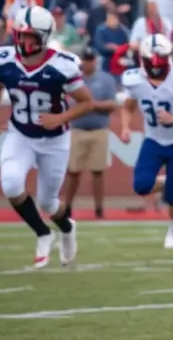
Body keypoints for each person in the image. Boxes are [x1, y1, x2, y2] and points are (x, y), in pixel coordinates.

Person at [0, 6, 94, 267]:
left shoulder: (61, 66)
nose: (24, 41)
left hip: (55, 140)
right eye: (20, 35)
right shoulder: (3, 60)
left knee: (48, 201)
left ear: (44, 37)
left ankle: (67, 227)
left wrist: (60, 118)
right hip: (20, 133)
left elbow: (86, 103)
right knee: (11, 183)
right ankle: (43, 233)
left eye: (31, 36)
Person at [119, 34, 173, 249]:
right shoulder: (135, 79)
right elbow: (128, 106)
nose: (156, 67)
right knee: (141, 186)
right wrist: (125, 127)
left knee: (172, 196)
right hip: (154, 140)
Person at [63, 47, 121, 219]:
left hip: (99, 129)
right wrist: (85, 105)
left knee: (98, 171)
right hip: (77, 128)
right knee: (73, 171)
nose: (88, 62)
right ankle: (67, 206)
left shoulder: (106, 79)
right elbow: (66, 101)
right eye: (86, 59)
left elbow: (112, 104)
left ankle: (99, 207)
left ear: (95, 60)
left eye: (91, 59)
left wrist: (92, 104)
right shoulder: (73, 79)